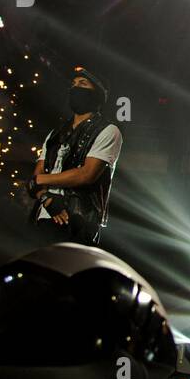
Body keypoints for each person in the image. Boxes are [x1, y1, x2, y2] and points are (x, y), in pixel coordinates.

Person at [29, 66, 121, 245]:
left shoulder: (108, 131)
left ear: (97, 94)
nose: (75, 87)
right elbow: (35, 178)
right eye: (73, 84)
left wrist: (40, 181)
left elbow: (86, 175)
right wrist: (46, 199)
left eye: (83, 83)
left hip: (79, 220)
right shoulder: (55, 134)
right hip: (43, 217)